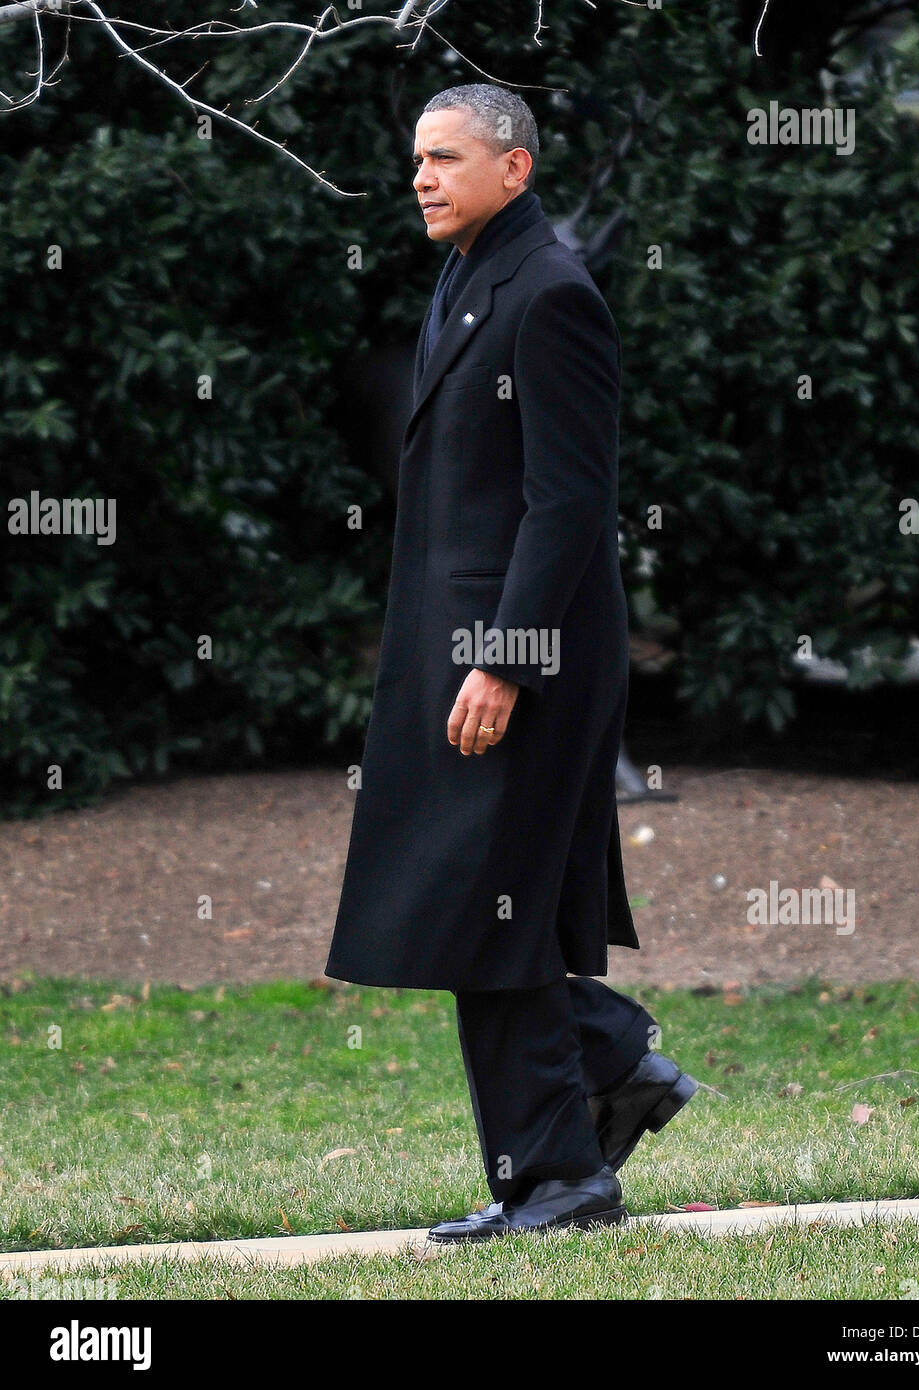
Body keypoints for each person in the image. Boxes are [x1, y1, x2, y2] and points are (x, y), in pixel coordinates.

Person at [324, 83, 697, 1242]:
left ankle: (566, 1174)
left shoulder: (552, 295)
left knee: (489, 914)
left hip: (520, 661)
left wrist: (504, 665)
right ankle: (600, 1086)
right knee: (478, 914)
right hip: (453, 652)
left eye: (446, 159)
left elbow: (570, 505)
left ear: (515, 169)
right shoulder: (472, 273)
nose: (423, 178)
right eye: (417, 160)